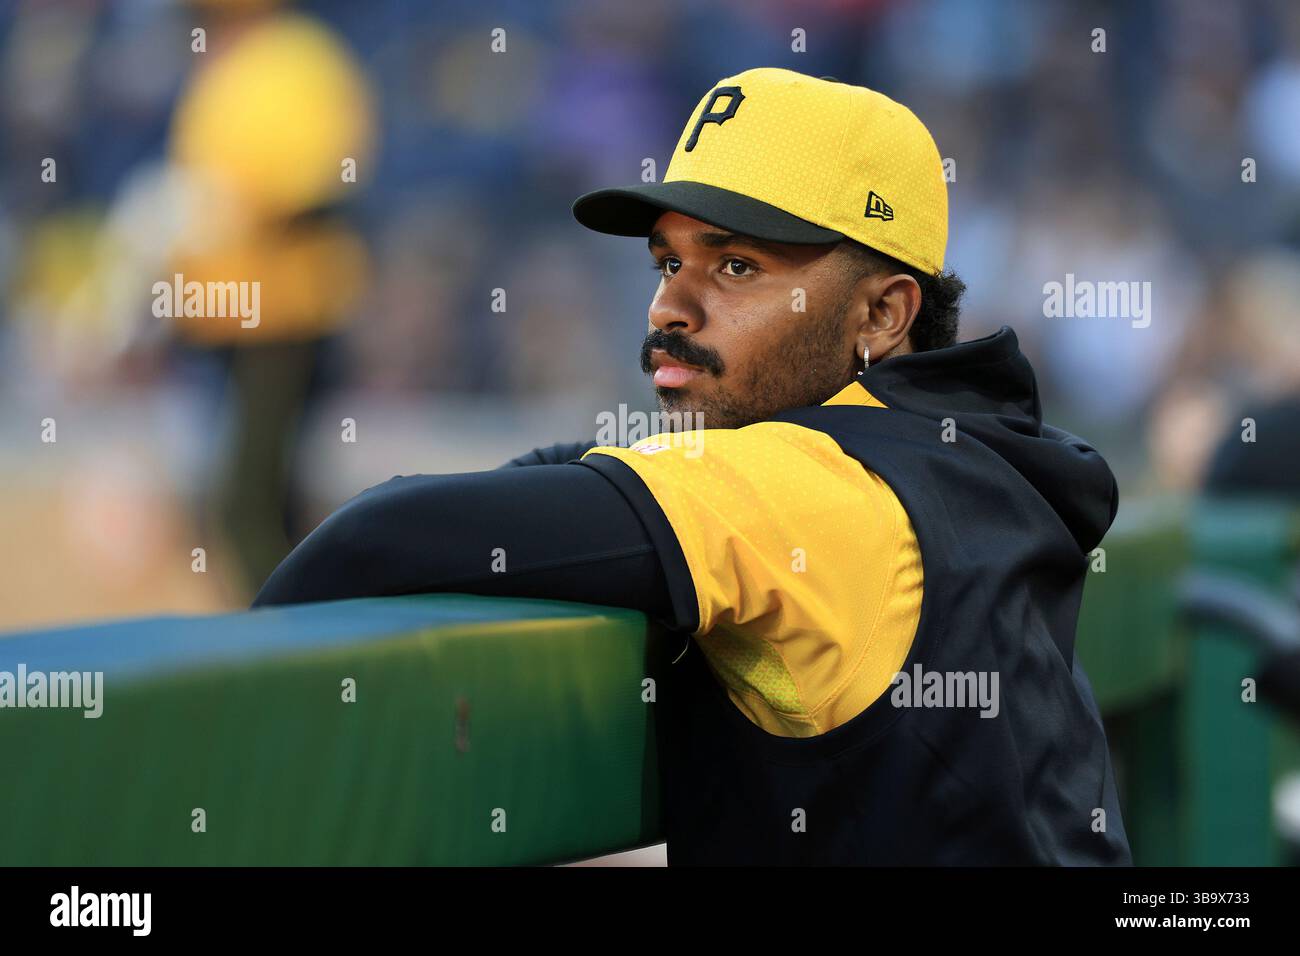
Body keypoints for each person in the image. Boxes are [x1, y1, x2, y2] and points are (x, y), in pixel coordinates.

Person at [255, 68, 1131, 865]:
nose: (669, 307)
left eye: (737, 265)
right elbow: (576, 473)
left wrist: (214, 716)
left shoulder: (810, 486)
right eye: (669, 261)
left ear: (882, 314)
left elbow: (379, 535)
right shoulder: (961, 450)